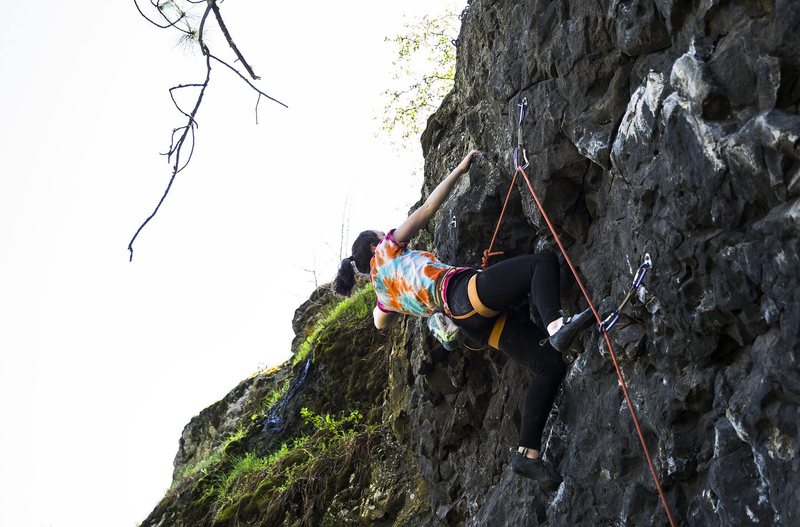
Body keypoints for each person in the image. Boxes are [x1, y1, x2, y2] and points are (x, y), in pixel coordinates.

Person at [333, 149, 593, 486]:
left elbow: (378, 322)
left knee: (549, 365)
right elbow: (428, 208)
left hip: (469, 324)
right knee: (541, 263)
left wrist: (386, 295)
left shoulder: (384, 298)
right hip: (459, 293)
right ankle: (557, 326)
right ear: (374, 246)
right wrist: (460, 167)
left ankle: (527, 453)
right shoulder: (386, 248)